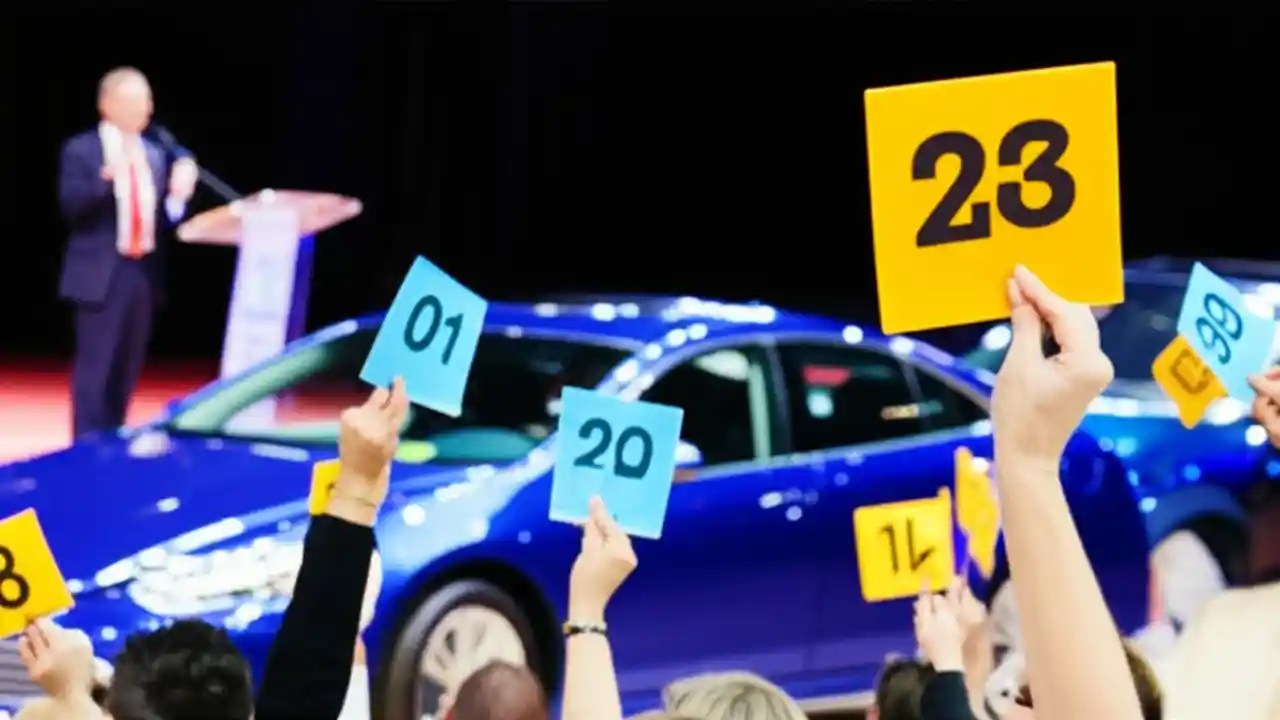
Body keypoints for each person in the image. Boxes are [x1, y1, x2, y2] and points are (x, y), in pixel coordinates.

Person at [58, 66, 199, 438]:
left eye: (148, 101)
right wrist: (106, 179)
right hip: (100, 274)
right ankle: (85, 448)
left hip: (142, 275)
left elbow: (162, 219)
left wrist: (178, 198)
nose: (147, 109)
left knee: (126, 368)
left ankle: (112, 442)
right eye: (137, 101)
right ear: (108, 104)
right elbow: (72, 208)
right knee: (95, 370)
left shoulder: (154, 152)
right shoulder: (82, 149)